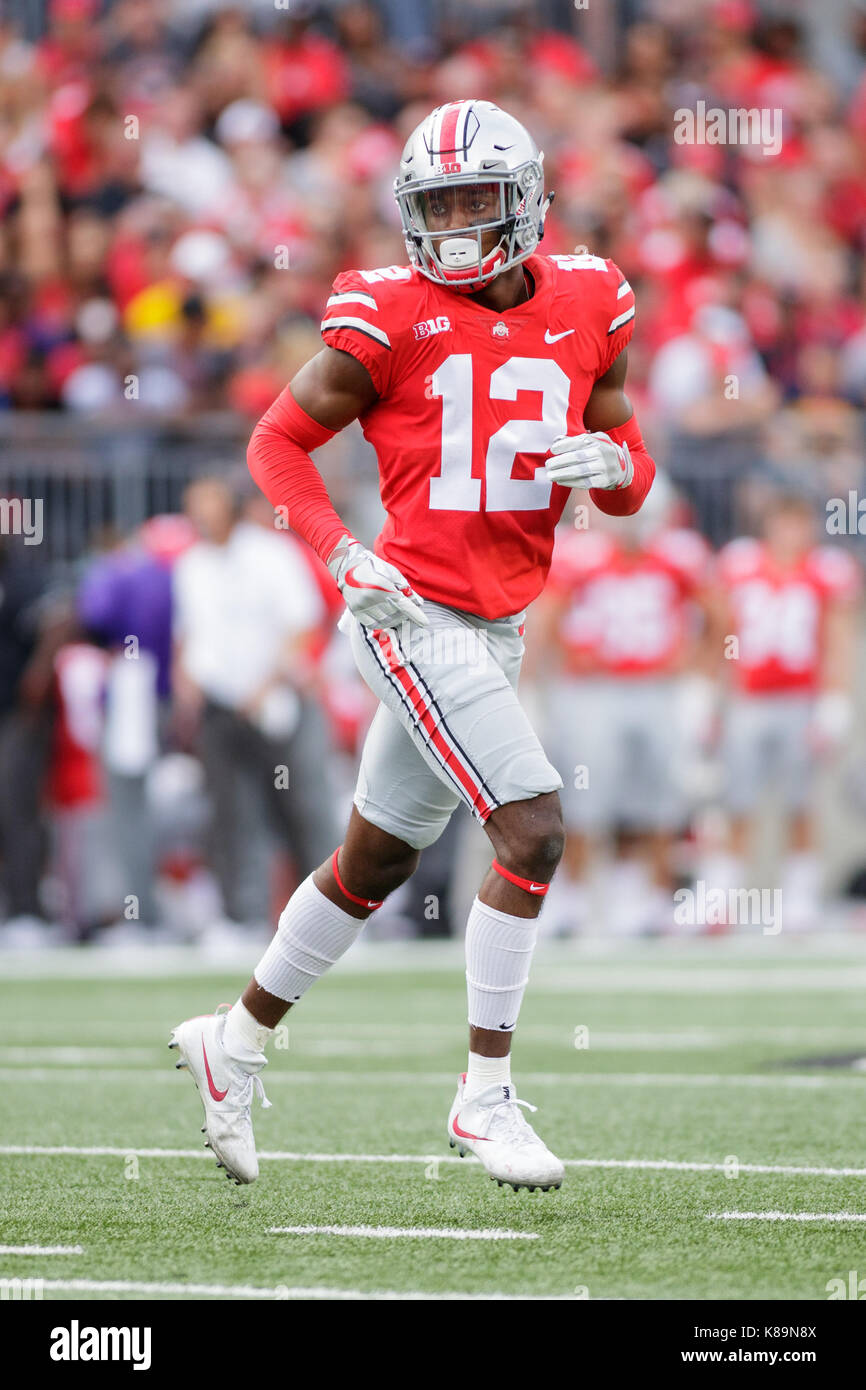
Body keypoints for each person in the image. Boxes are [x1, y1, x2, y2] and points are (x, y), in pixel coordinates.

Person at [170, 100, 655, 1190]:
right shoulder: (388, 311)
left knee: (374, 861)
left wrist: (613, 470)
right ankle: (482, 1097)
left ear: (524, 201)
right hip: (407, 614)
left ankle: (232, 1041)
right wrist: (343, 555)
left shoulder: (588, 296)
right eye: (432, 207)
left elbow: (631, 467)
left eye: (473, 202)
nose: (449, 228)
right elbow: (276, 442)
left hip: (497, 626)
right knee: (528, 827)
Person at [710, 493, 861, 931]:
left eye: (798, 523)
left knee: (801, 804)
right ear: (769, 524)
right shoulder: (740, 564)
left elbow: (838, 638)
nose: (790, 533)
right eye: (783, 522)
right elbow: (721, 632)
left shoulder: (825, 571)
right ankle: (723, 899)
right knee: (735, 803)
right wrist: (711, 695)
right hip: (749, 700)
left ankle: (798, 900)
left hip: (801, 699)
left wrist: (835, 701)